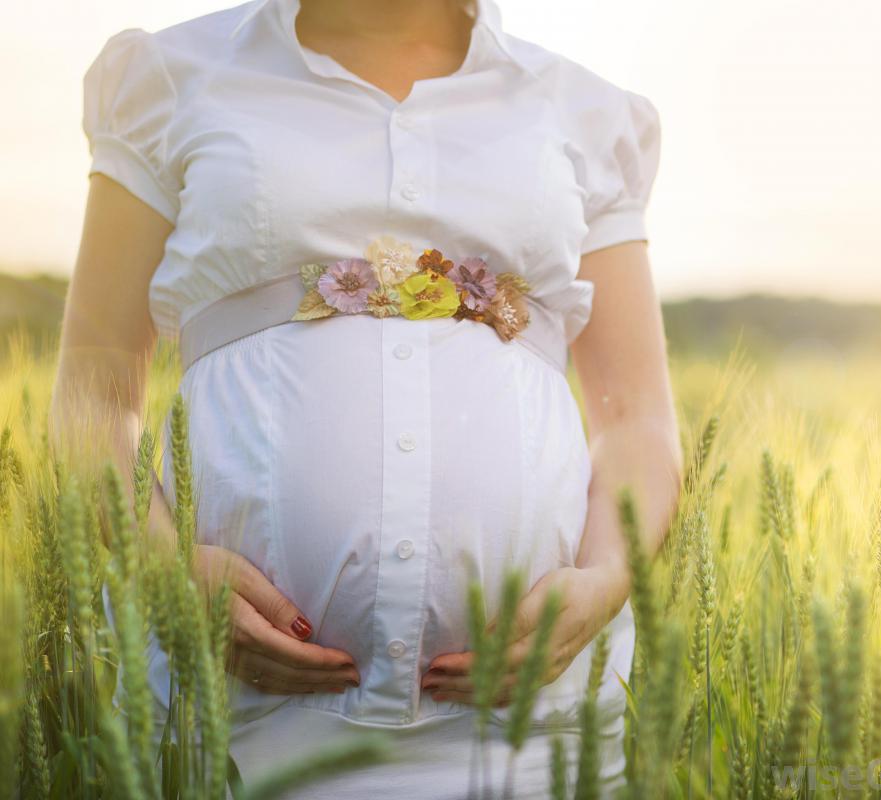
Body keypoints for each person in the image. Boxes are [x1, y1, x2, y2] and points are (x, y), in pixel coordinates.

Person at [52, 0, 682, 796]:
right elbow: (94, 393)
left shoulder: (585, 111)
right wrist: (160, 573)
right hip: (230, 706)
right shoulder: (173, 76)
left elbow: (636, 415)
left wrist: (604, 581)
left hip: (523, 724)